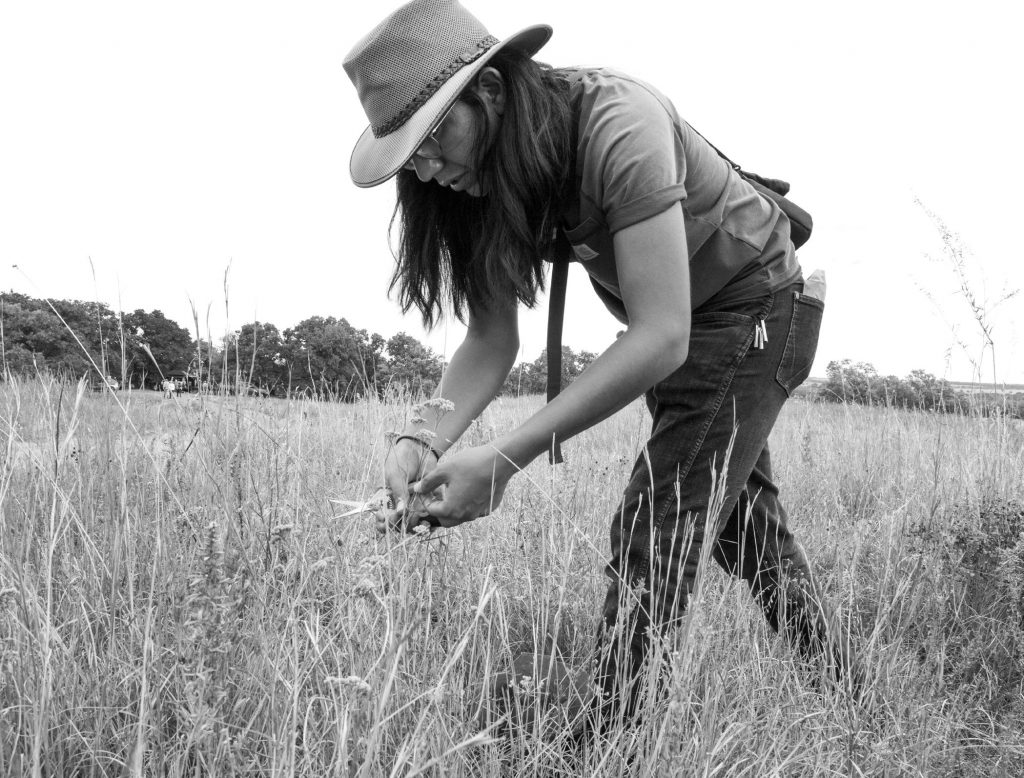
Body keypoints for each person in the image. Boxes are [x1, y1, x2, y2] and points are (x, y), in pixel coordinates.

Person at [344, 0, 860, 729]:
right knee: (742, 527)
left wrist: (505, 460)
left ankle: (607, 745)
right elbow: (491, 340)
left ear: (490, 92)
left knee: (660, 520)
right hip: (694, 323)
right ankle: (847, 691)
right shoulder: (477, 180)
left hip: (755, 309)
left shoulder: (619, 122)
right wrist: (421, 437)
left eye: (430, 139)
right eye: (410, 156)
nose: (425, 168)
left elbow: (659, 337)